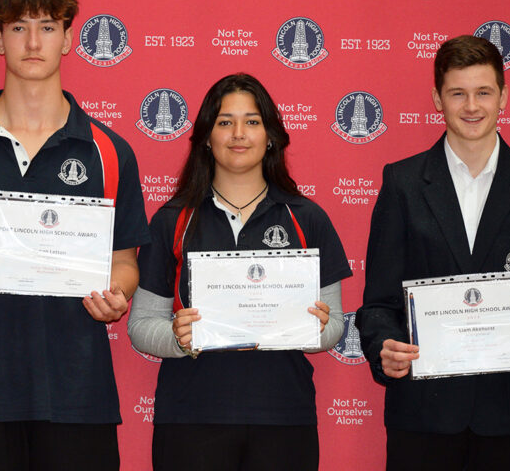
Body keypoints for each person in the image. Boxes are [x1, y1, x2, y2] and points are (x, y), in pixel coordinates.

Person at [0, 0, 150, 471]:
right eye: (19, 28)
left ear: (67, 38)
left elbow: (124, 263)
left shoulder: (108, 151)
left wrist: (116, 294)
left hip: (79, 392)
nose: (34, 42)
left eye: (48, 27)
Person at [129, 73, 352, 471]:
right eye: (225, 121)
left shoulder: (307, 219)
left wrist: (318, 329)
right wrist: (180, 338)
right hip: (190, 418)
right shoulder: (173, 220)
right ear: (206, 137)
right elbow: (142, 325)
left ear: (270, 136)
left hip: (284, 416)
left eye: (252, 121)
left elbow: (334, 325)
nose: (238, 133)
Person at [356, 35, 510, 471]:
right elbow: (378, 304)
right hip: (422, 418)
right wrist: (383, 348)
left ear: (503, 96)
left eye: (483, 92)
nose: (472, 106)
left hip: (508, 417)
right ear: (437, 99)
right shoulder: (403, 184)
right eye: (457, 93)